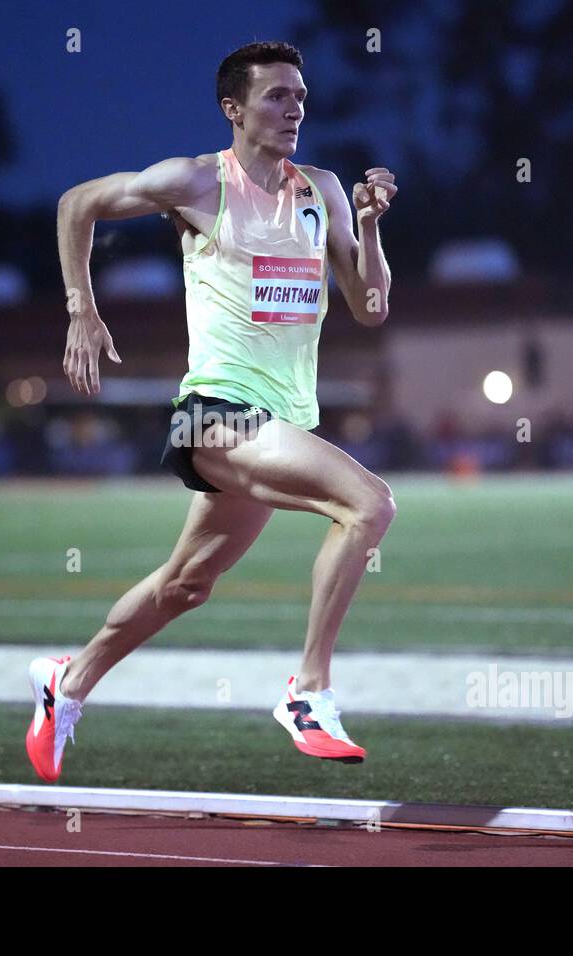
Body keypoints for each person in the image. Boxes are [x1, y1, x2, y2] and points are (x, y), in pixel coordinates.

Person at [27, 40, 397, 783]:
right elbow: (78, 204)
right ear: (234, 108)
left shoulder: (320, 189)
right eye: (276, 96)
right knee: (369, 505)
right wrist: (81, 311)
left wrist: (370, 222)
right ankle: (309, 694)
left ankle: (65, 684)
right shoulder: (196, 182)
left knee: (185, 585)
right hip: (214, 414)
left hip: (277, 421)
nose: (295, 108)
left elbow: (371, 305)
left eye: (300, 95)